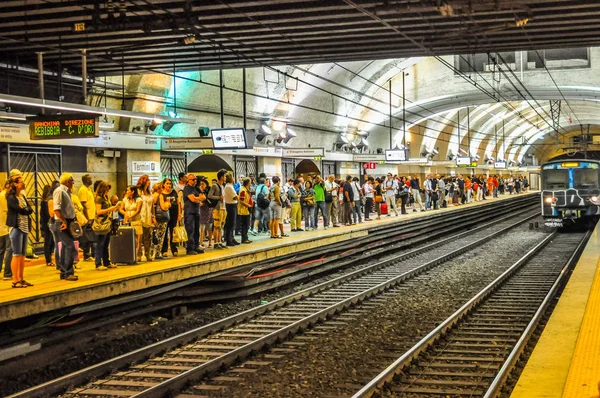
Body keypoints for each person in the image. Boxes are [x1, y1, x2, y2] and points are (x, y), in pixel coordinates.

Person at [6, 175, 34, 287]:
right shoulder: (11, 197)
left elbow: (29, 209)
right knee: (16, 254)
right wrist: (25, 210)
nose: (23, 184)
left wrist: (25, 210)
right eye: (21, 182)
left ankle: (21, 278)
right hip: (16, 228)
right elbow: (20, 210)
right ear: (16, 184)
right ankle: (15, 280)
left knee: (22, 254)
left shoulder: (22, 196)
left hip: (25, 227)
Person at [53, 173, 78, 281]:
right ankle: (68, 272)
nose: (73, 183)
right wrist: (64, 221)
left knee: (65, 247)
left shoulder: (66, 192)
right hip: (62, 222)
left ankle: (64, 272)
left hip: (68, 221)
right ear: (68, 181)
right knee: (69, 246)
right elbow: (56, 209)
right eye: (72, 181)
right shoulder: (60, 191)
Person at [94, 181, 120, 270]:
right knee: (100, 244)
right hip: (102, 223)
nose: (108, 191)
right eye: (106, 189)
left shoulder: (106, 197)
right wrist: (110, 209)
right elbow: (98, 211)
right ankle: (98, 263)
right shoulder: (99, 198)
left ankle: (106, 262)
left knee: (106, 243)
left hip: (108, 222)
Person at [183, 173, 206, 255]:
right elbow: (192, 199)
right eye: (193, 179)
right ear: (188, 180)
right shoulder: (187, 188)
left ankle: (196, 246)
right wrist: (198, 199)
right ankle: (190, 248)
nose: (195, 181)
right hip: (189, 212)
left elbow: (204, 197)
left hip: (196, 211)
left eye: (196, 179)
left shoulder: (197, 188)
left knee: (197, 230)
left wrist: (198, 199)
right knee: (190, 230)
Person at [120, 185, 143, 257]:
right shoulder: (125, 199)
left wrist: (131, 216)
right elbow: (121, 209)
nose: (126, 192)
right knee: (128, 239)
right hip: (127, 221)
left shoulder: (139, 200)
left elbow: (138, 210)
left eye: (128, 190)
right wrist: (125, 214)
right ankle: (129, 255)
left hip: (136, 220)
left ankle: (136, 255)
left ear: (132, 192)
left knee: (137, 239)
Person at [136, 175, 155, 261]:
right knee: (139, 237)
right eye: (148, 180)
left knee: (148, 236)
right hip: (140, 215)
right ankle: (138, 254)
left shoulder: (149, 192)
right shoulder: (138, 192)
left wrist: (153, 216)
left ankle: (147, 254)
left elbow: (152, 206)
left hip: (148, 216)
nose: (149, 182)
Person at [78, 174, 96, 261]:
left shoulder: (89, 189)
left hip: (92, 216)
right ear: (86, 180)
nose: (92, 180)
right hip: (87, 217)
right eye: (90, 179)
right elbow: (83, 205)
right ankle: (86, 255)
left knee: (91, 236)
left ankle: (93, 254)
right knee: (86, 237)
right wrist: (87, 218)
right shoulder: (82, 190)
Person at [161, 178, 181, 258]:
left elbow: (178, 203)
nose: (169, 185)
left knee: (173, 231)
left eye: (170, 183)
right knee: (165, 232)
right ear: (163, 184)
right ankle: (164, 250)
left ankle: (174, 249)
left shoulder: (174, 192)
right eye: (167, 183)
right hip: (165, 214)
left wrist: (179, 214)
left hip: (174, 213)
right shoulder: (162, 194)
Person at [152, 182, 171, 259]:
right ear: (159, 189)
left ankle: (151, 253)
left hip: (154, 218)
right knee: (160, 237)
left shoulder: (152, 195)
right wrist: (168, 204)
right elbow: (163, 207)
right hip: (161, 218)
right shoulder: (160, 196)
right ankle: (157, 253)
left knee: (153, 236)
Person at [208, 169, 227, 249]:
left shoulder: (223, 186)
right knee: (216, 226)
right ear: (221, 177)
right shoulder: (215, 186)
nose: (226, 177)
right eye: (225, 176)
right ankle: (215, 243)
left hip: (223, 208)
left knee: (221, 226)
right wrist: (219, 197)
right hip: (217, 208)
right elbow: (209, 195)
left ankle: (219, 241)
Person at [0, 181, 13, 280]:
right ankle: (7, 273)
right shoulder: (6, 196)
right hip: (7, 226)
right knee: (9, 249)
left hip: (0, 227)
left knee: (1, 250)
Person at [223, 173, 239, 247]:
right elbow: (235, 197)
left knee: (232, 223)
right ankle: (229, 239)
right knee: (231, 223)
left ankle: (231, 238)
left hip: (231, 205)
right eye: (232, 177)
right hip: (231, 205)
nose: (234, 178)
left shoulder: (229, 186)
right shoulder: (229, 187)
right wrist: (240, 198)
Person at [237, 177, 253, 244]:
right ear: (248, 183)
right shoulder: (243, 190)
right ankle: (244, 238)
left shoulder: (246, 189)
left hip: (246, 210)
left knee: (246, 225)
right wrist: (248, 205)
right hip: (243, 210)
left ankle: (246, 238)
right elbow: (241, 200)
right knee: (245, 225)